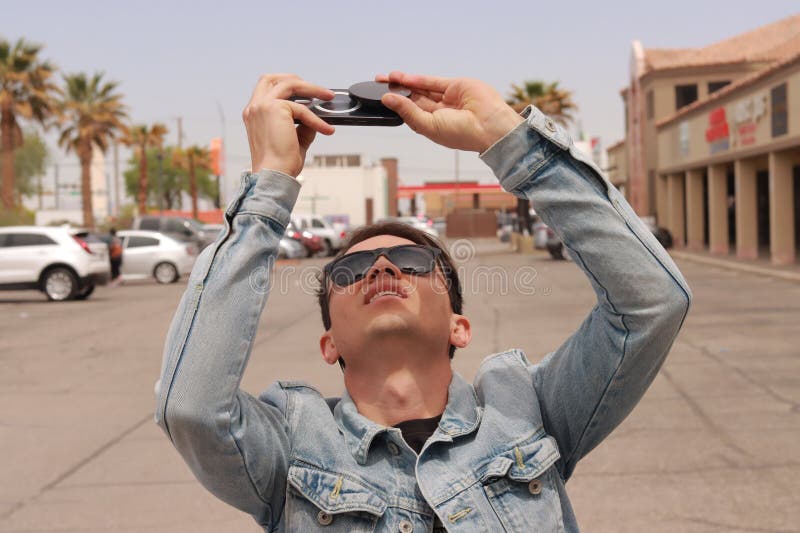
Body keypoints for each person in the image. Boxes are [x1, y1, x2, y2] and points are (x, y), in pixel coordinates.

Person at [155, 72, 691, 532]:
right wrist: (269, 185)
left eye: (411, 263)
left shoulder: (531, 411)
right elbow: (192, 408)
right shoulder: (291, 447)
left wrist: (509, 140)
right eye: (352, 269)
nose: (383, 268)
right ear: (329, 343)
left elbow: (651, 304)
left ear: (459, 326)